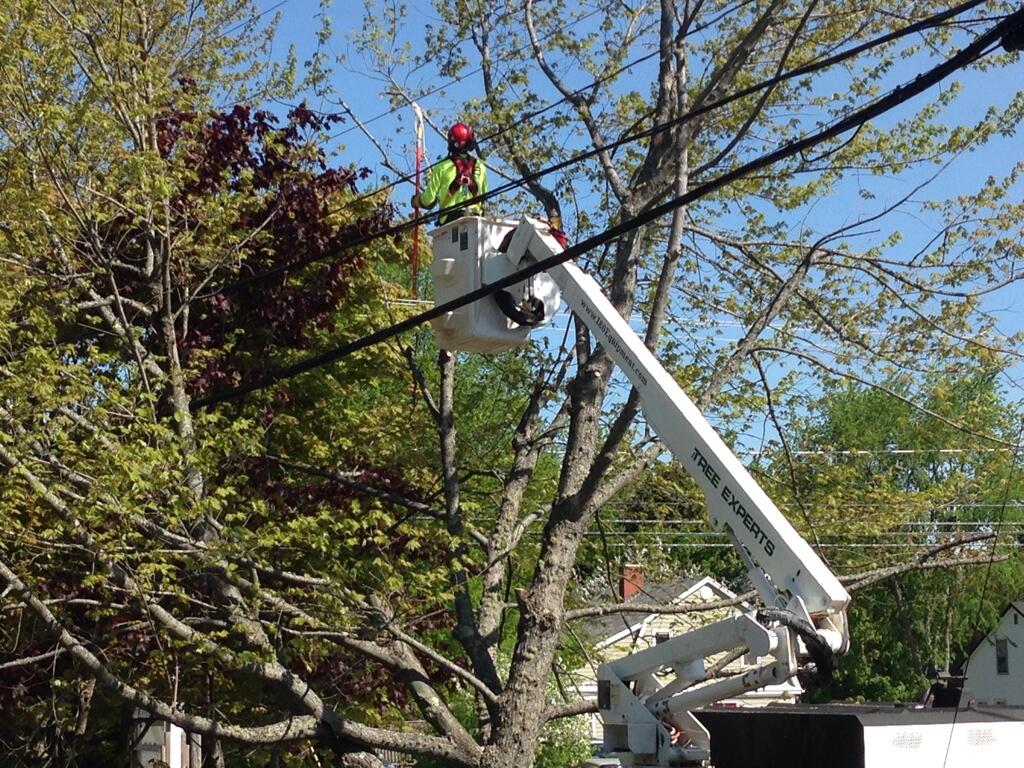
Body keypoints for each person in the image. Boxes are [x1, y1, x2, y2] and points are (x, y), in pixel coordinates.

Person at [412, 122, 488, 224]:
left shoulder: (441, 167)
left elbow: (428, 200)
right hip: (475, 222)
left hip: (450, 223)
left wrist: (416, 201)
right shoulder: (481, 167)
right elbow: (484, 198)